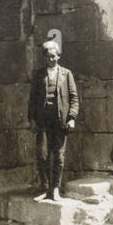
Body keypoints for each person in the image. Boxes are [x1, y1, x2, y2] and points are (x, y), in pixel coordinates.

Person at [27, 40, 79, 201]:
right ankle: (45, 188)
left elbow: (74, 98)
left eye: (54, 56)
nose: (51, 59)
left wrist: (71, 118)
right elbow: (32, 99)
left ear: (59, 56)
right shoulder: (38, 75)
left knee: (58, 156)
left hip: (60, 121)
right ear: (44, 58)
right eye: (48, 57)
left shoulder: (66, 74)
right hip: (43, 121)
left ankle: (55, 188)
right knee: (42, 155)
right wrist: (32, 120)